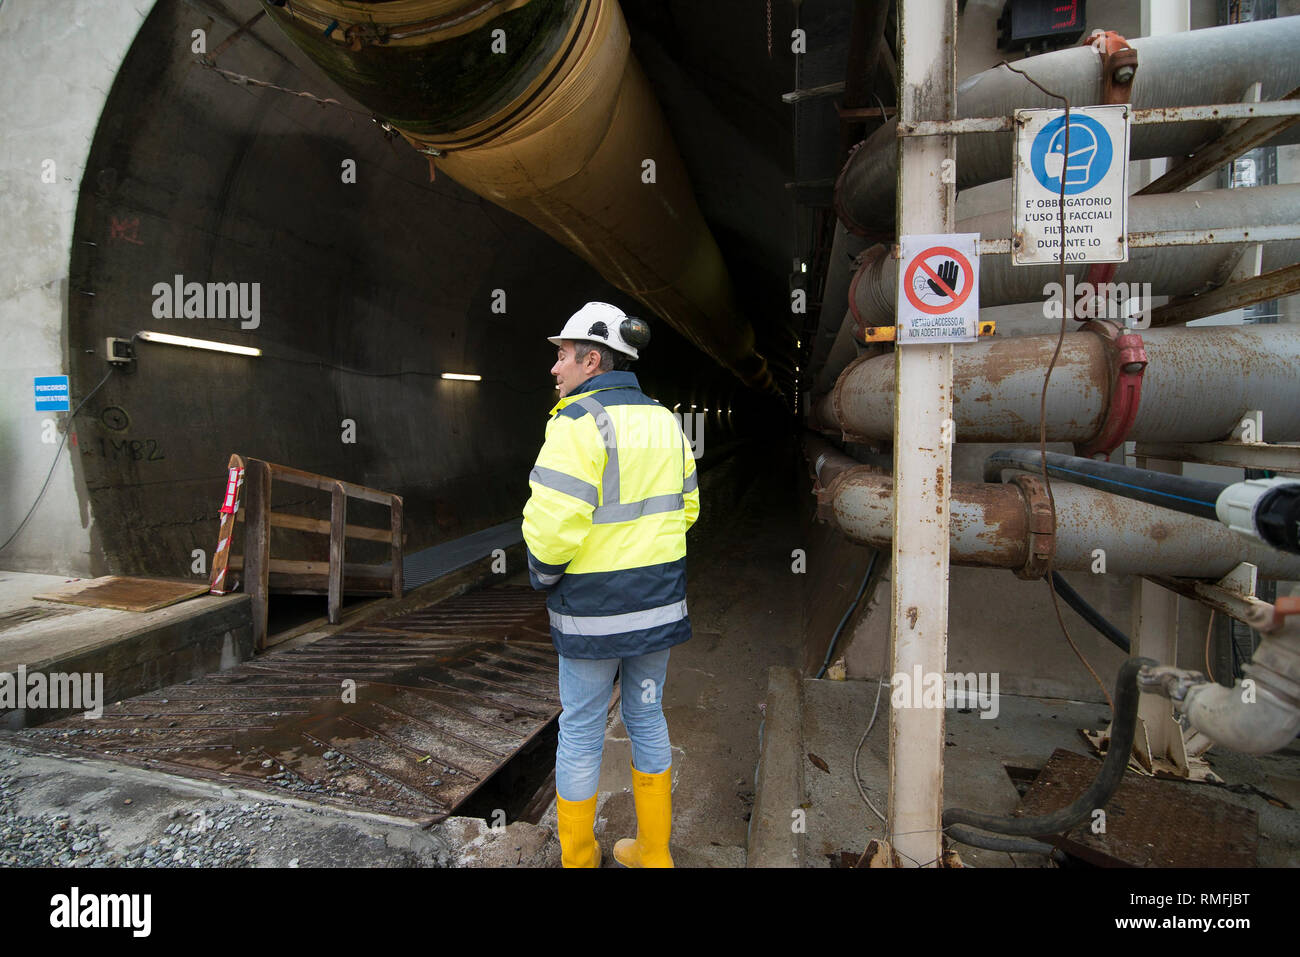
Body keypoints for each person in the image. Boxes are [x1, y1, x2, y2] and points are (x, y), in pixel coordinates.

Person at [522, 301, 700, 868]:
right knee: (647, 717)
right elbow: (688, 509)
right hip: (655, 611)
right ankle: (653, 853)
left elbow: (553, 529)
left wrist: (544, 575)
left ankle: (578, 858)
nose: (555, 368)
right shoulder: (667, 420)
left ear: (592, 360)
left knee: (580, 729)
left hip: (592, 615)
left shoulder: (576, 423)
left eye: (562, 355)